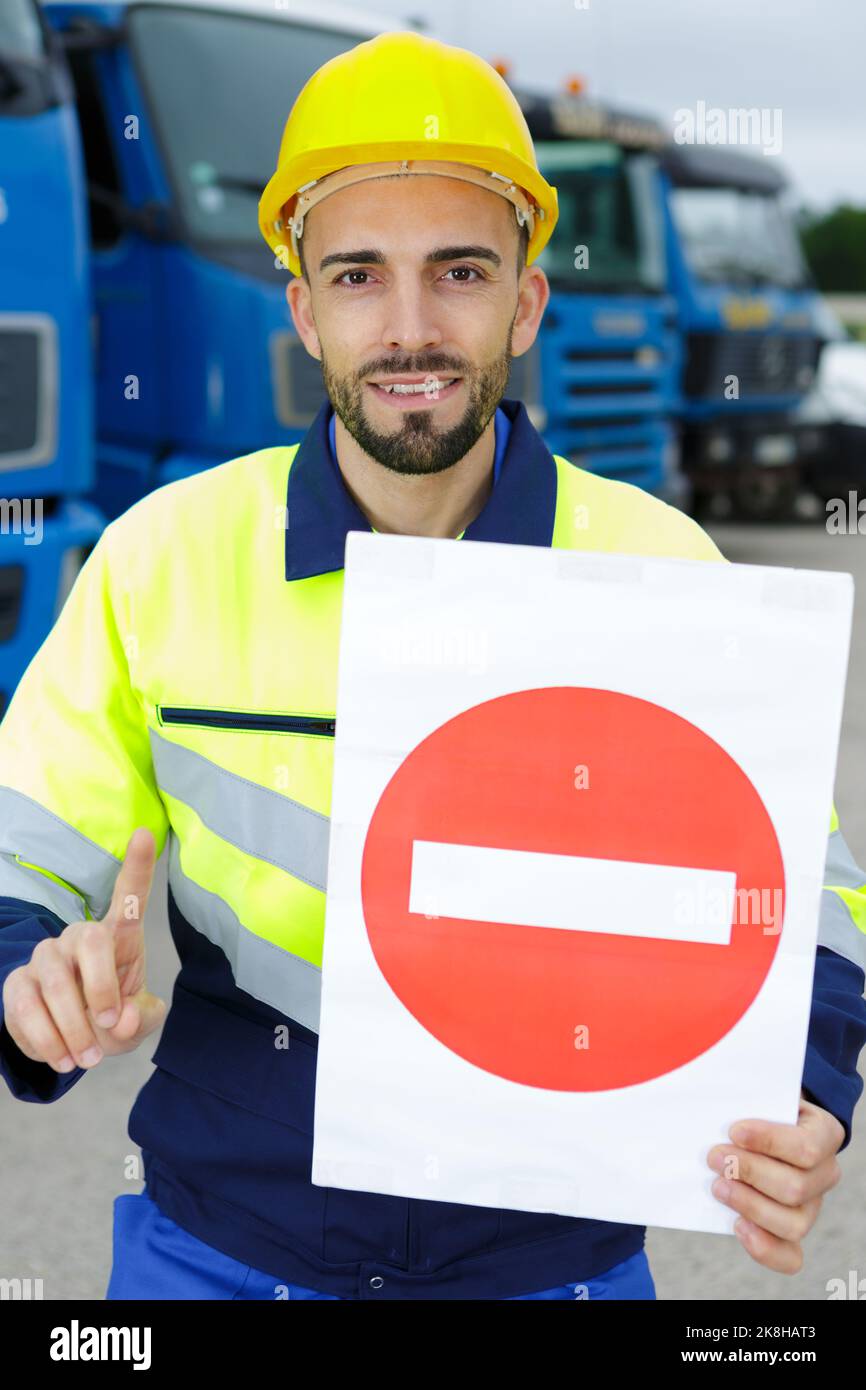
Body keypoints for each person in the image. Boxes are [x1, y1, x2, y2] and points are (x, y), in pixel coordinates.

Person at [1, 31, 864, 1302]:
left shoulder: (659, 565)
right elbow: (23, 852)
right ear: (303, 307)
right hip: (221, 1251)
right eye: (357, 275)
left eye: (457, 270)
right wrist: (34, 975)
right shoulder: (162, 559)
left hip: (548, 1267)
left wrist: (806, 1094)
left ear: (523, 301)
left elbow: (808, 902)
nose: (408, 329)